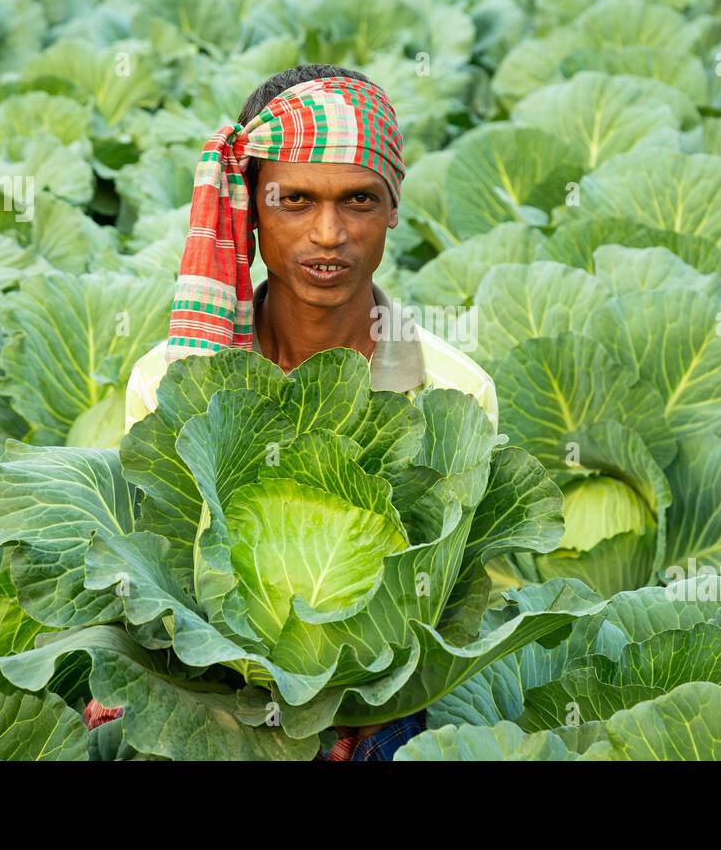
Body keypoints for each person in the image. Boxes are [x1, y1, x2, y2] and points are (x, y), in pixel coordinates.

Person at [87, 64, 498, 761]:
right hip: (206, 702)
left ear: (394, 207)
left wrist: (386, 704)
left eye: (360, 200)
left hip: (383, 717)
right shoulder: (171, 380)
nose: (330, 232)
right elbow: (139, 567)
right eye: (296, 200)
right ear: (250, 205)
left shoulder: (455, 393)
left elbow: (475, 607)